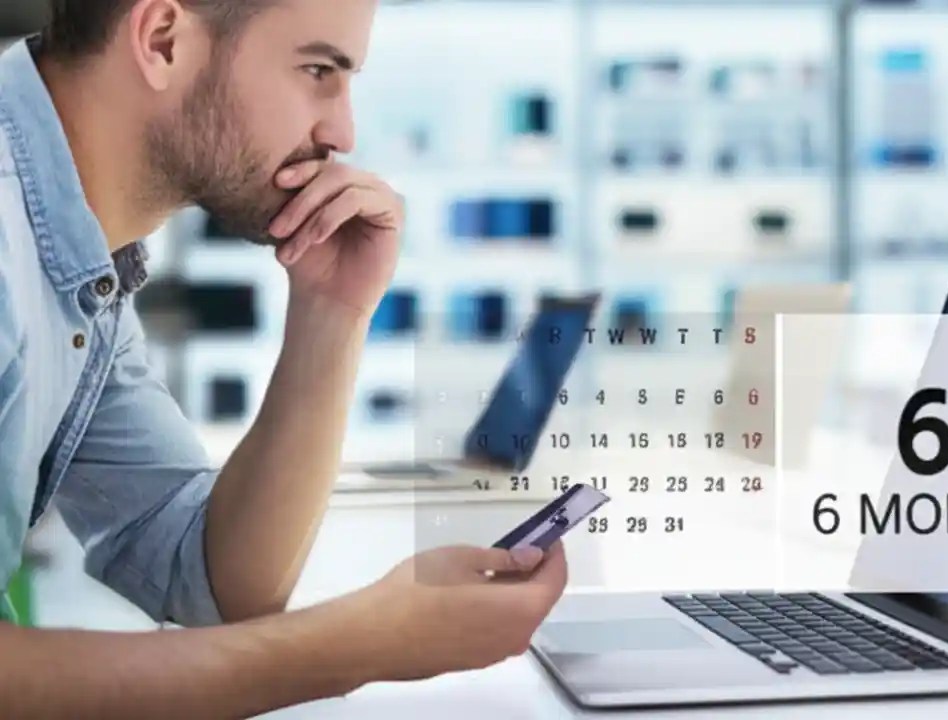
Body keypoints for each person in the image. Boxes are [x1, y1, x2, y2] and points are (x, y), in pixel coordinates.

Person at [0, 0, 569, 716]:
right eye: (317, 71)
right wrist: (355, 645)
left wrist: (332, 311)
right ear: (163, 40)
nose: (342, 133)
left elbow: (212, 583)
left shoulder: (82, 265)